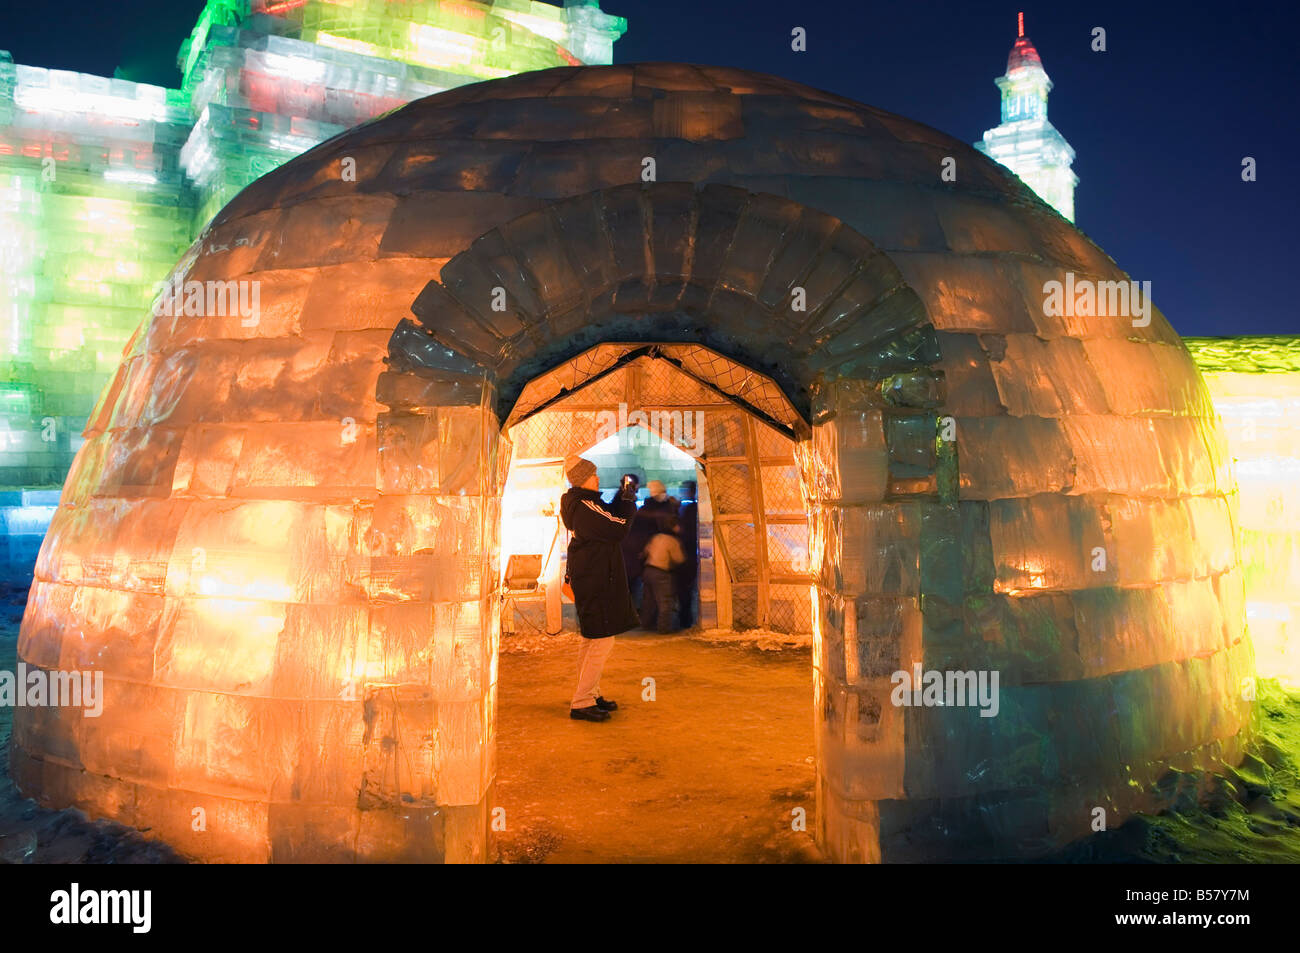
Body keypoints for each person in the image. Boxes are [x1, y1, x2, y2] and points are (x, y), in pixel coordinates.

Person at [560, 457, 640, 722]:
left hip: (593, 578)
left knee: (593, 638)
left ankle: (590, 694)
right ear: (582, 479)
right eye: (593, 475)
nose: (597, 479)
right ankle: (582, 701)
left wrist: (623, 494)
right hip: (596, 581)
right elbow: (617, 527)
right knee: (602, 640)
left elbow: (610, 516)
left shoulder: (586, 504)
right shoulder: (584, 506)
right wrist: (628, 499)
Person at [640, 513, 685, 633]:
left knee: (648, 600)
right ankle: (663, 628)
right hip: (661, 573)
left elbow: (644, 553)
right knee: (664, 602)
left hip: (648, 570)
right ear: (674, 527)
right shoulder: (673, 541)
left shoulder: (656, 537)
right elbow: (679, 559)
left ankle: (645, 624)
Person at [675, 480, 699, 629]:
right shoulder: (690, 508)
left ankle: (685, 621)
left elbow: (684, 531)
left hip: (687, 554)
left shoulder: (689, 508)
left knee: (685, 590)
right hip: (689, 553)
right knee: (686, 590)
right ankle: (686, 620)